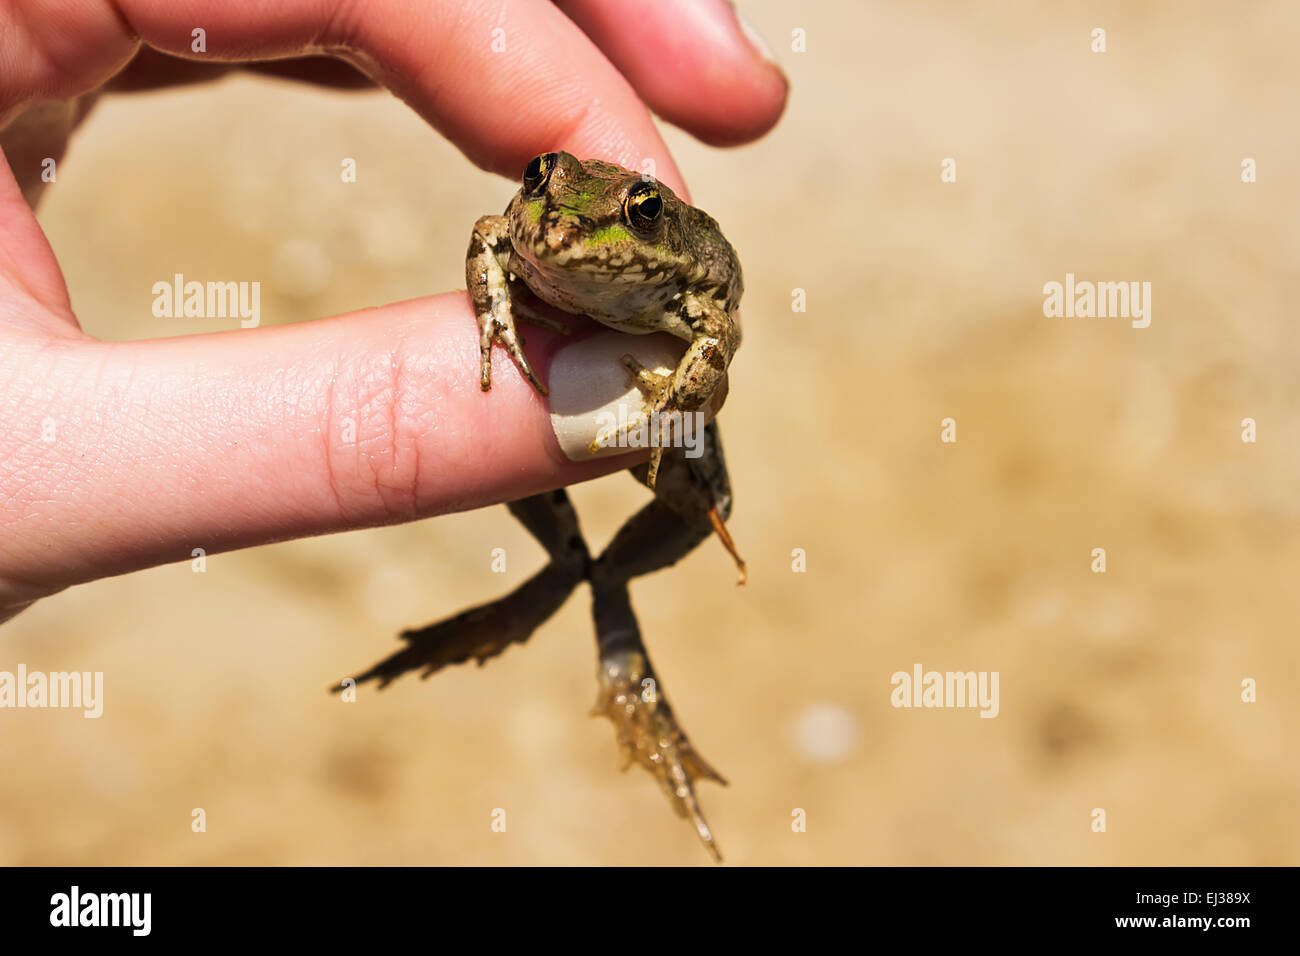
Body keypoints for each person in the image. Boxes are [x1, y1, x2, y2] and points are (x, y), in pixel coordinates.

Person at [0, 0, 787, 623]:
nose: (563, 222)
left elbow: (720, 334)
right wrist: (497, 317)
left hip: (656, 310)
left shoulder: (686, 285)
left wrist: (675, 398)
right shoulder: (524, 230)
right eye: (541, 182)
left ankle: (609, 578)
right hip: (578, 320)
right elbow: (491, 234)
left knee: (705, 499)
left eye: (636, 208)